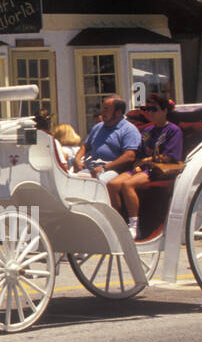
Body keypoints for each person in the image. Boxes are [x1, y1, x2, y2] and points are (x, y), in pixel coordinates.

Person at [107, 94, 184, 239]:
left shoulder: (173, 131)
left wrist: (146, 161)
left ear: (164, 111)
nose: (149, 113)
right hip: (143, 167)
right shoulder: (147, 131)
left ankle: (134, 227)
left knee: (127, 185)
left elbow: (171, 156)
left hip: (159, 169)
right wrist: (137, 164)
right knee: (112, 184)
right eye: (146, 109)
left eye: (153, 109)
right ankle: (118, 223)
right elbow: (139, 154)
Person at [72, 95, 142, 191]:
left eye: (106, 109)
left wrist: (104, 168)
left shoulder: (129, 130)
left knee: (94, 185)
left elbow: (129, 156)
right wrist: (77, 160)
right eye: (102, 109)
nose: (102, 112)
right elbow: (85, 146)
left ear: (118, 112)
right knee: (72, 181)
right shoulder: (98, 127)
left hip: (113, 170)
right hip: (91, 168)